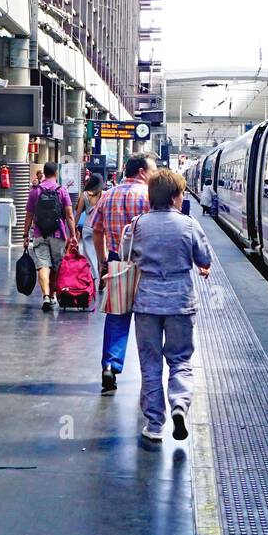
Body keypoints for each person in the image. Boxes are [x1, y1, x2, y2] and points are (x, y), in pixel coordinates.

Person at [130, 169, 213, 443]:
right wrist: (201, 267)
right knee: (180, 360)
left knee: (150, 364)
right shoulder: (189, 225)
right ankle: (179, 405)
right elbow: (204, 257)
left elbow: (128, 255)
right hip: (180, 301)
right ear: (176, 196)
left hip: (147, 302)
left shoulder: (138, 224)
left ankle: (154, 425)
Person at [91, 156, 152, 395]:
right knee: (147, 318)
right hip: (146, 263)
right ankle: (149, 372)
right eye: (153, 169)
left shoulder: (108, 195)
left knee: (117, 315)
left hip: (118, 260)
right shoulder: (149, 196)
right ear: (141, 172)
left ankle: (110, 365)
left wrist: (103, 260)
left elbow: (96, 230)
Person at [22, 161, 77, 311]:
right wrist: (73, 235)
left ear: (44, 173)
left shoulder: (35, 191)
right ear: (56, 173)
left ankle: (46, 296)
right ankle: (53, 295)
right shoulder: (62, 190)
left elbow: (29, 215)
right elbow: (69, 215)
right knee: (57, 265)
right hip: (58, 234)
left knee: (43, 265)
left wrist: (25, 234)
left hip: (39, 233)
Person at [74, 173, 105, 281]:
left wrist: (73, 227)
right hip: (101, 227)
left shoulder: (85, 195)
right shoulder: (104, 195)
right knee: (101, 254)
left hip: (87, 227)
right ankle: (101, 275)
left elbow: (78, 213)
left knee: (89, 254)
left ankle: (93, 276)